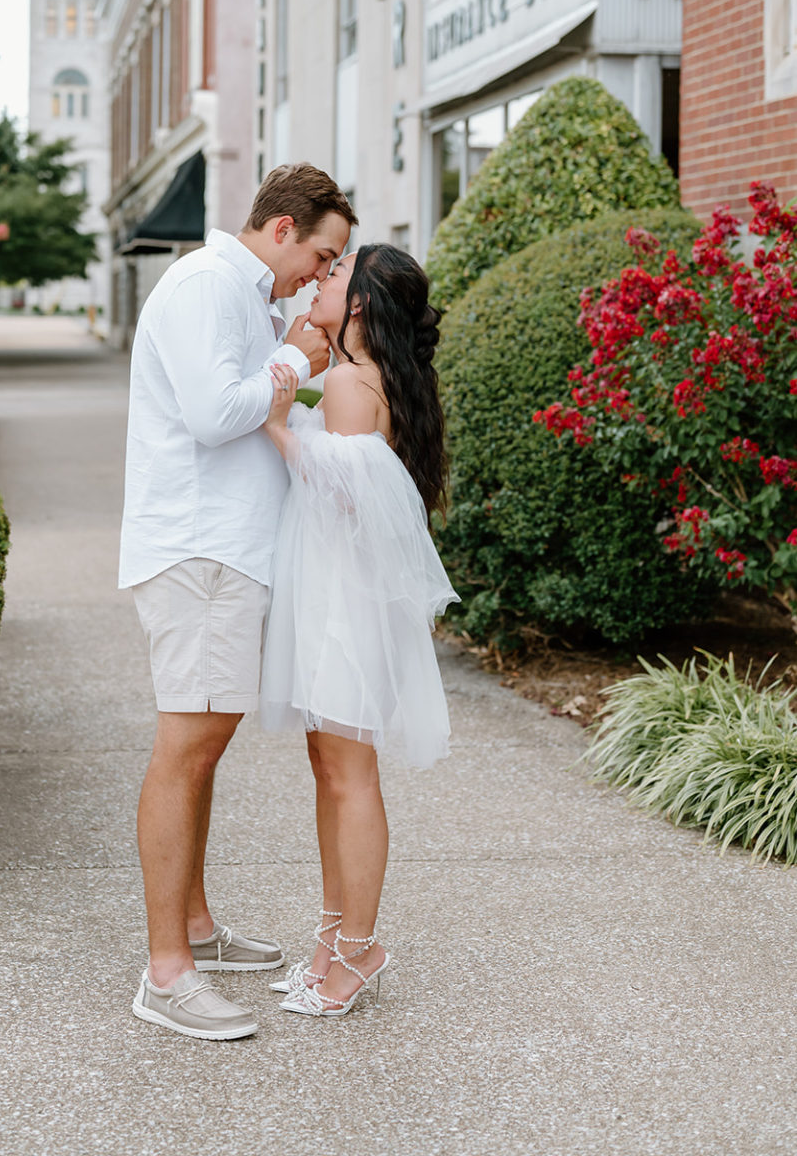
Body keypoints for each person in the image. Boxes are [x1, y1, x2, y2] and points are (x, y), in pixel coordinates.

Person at [120, 163, 357, 1041]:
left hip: (226, 553)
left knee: (206, 743)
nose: (322, 275)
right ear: (285, 228)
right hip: (200, 549)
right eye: (323, 254)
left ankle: (194, 928)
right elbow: (217, 413)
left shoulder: (247, 298)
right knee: (187, 745)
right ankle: (166, 975)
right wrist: (297, 356)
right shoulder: (207, 286)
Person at [260, 242, 457, 1019]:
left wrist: (279, 425)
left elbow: (342, 498)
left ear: (364, 305)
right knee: (333, 769)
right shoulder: (370, 380)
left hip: (343, 603)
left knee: (348, 775)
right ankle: (329, 940)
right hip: (342, 597)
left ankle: (357, 949)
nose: (319, 280)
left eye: (334, 275)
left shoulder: (347, 382)